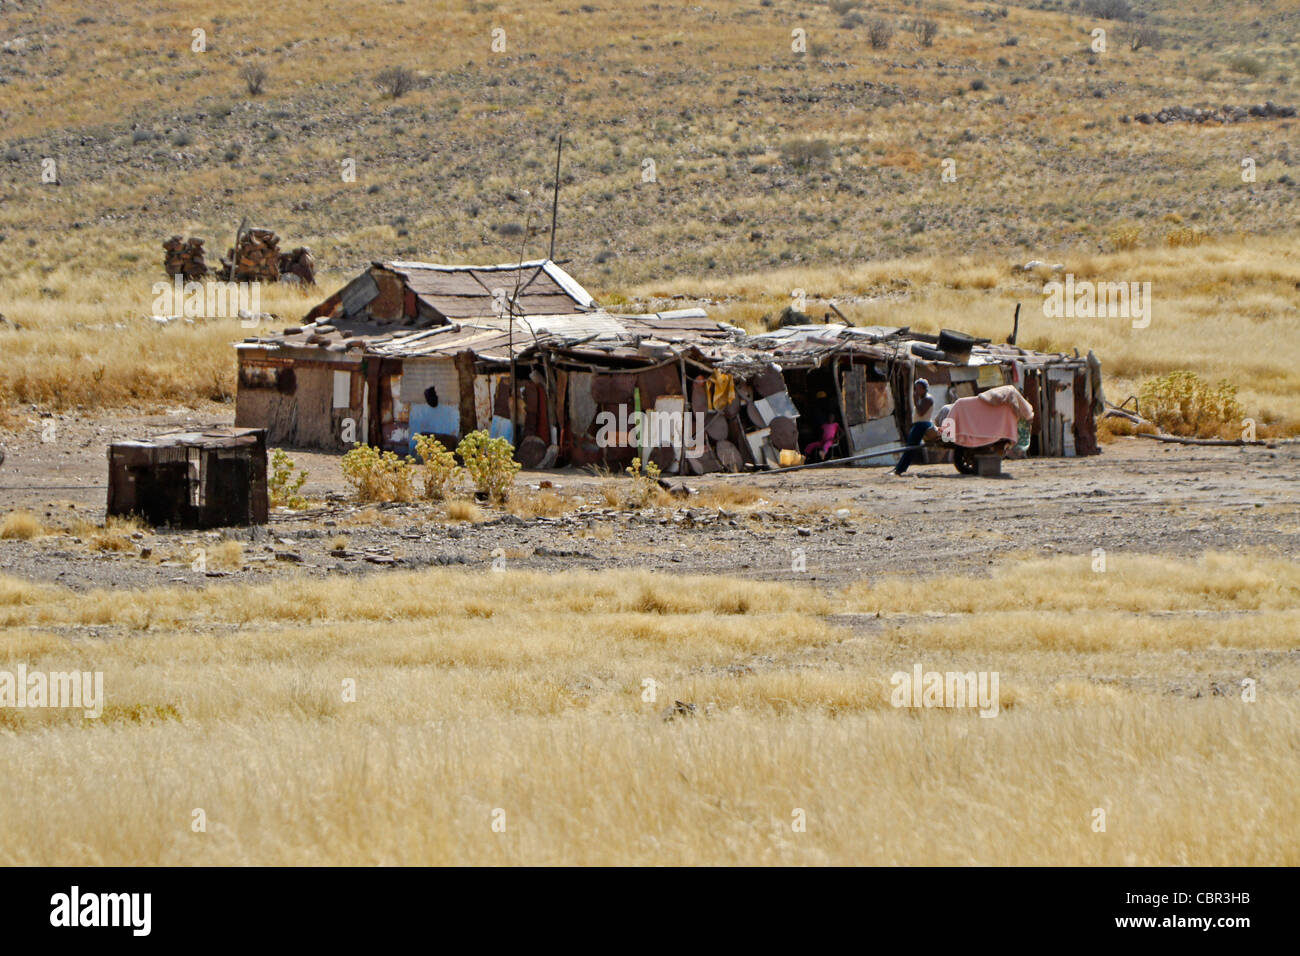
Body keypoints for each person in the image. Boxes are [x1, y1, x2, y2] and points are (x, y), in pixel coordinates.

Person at [893, 378, 935, 475]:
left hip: (922, 424)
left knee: (910, 447)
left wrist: (915, 400)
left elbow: (921, 413)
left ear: (925, 389)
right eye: (916, 389)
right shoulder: (922, 398)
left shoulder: (928, 399)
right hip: (919, 424)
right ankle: (900, 468)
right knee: (910, 447)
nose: (917, 391)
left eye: (919, 389)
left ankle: (900, 469)